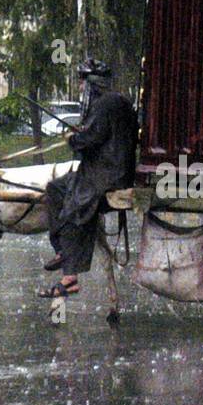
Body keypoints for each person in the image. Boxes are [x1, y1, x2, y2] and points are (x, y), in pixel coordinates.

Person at [39, 58, 137, 298]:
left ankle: (69, 278)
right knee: (55, 188)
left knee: (76, 205)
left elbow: (90, 140)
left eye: (82, 81)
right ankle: (64, 251)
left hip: (108, 174)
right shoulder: (116, 101)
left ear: (92, 82)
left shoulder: (105, 104)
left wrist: (73, 140)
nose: (81, 87)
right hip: (103, 170)